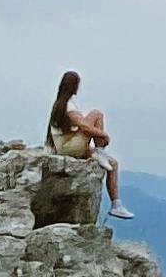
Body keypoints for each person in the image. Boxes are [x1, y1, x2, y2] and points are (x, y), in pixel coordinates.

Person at [47, 70, 130, 216]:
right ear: (75, 86)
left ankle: (116, 204)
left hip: (69, 146)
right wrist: (104, 135)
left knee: (113, 164)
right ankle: (99, 151)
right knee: (97, 114)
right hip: (69, 147)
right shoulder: (67, 106)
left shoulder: (62, 104)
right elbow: (84, 127)